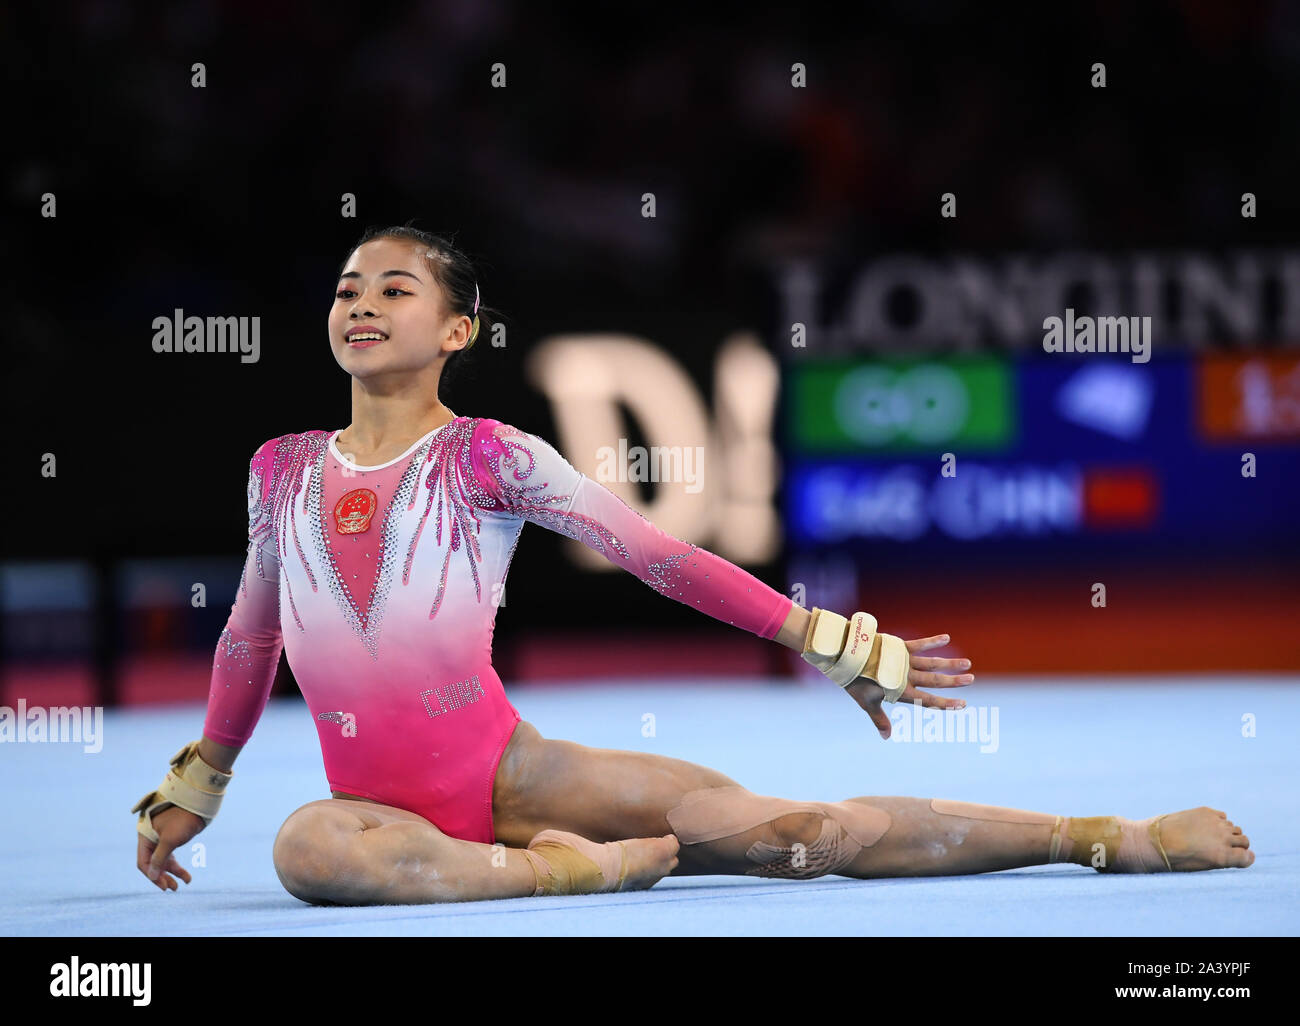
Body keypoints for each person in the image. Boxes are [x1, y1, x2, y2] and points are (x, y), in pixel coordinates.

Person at [133, 226, 1254, 905]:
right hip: (382, 817)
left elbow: (657, 556)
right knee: (308, 852)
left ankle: (1105, 838)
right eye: (345, 288)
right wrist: (200, 786)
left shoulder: (485, 455)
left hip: (518, 775)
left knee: (797, 837)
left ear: (459, 331)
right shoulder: (280, 467)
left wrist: (828, 639)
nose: (361, 304)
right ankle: (575, 873)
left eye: (393, 289)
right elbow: (251, 635)